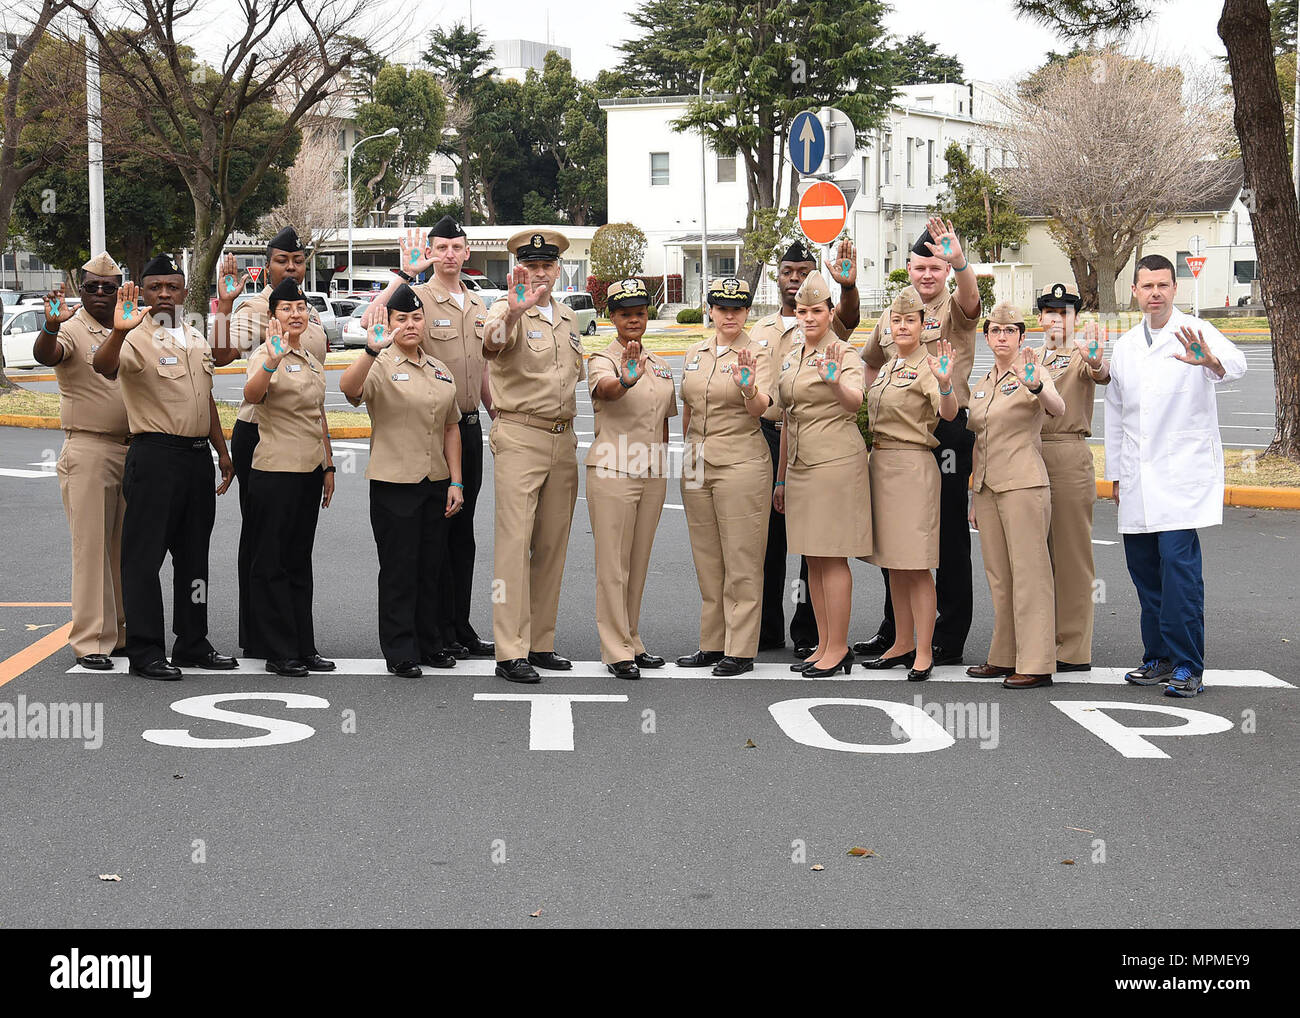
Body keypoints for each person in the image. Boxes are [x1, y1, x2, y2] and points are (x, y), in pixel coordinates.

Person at [1106, 254, 1247, 697]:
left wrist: (1210, 362)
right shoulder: (1126, 345)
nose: (1155, 293)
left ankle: (1189, 664)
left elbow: (1237, 363)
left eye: (1163, 285)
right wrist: (1115, 473)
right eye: (1146, 286)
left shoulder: (1196, 330)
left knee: (1179, 572)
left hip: (1181, 476)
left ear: (1175, 289)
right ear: (1134, 290)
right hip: (1137, 478)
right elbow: (1115, 412)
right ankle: (1159, 657)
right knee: (1145, 573)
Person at [92, 255, 237, 680]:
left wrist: (222, 452)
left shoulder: (193, 335)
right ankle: (146, 649)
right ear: (142, 290)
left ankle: (192, 642)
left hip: (196, 459)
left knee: (195, 559)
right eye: (154, 287)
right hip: (155, 456)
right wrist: (118, 333)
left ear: (184, 290)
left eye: (172, 287)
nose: (163, 295)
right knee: (144, 558)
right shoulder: (135, 337)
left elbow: (214, 375)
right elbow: (104, 367)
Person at [362, 216, 494, 658]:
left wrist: (498, 414)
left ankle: (459, 623)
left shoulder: (477, 302)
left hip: (466, 425)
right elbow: (372, 319)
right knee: (433, 536)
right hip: (431, 428)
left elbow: (483, 368)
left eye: (457, 247)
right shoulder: (417, 296)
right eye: (441, 248)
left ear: (467, 251)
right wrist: (406, 271)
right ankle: (434, 628)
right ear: (431, 253)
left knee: (461, 534)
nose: (450, 255)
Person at [856, 215, 980, 666]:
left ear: (945, 270)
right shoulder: (896, 313)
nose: (927, 275)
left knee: (944, 536)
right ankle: (898, 631)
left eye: (936, 267)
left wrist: (961, 261)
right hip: (901, 435)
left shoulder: (955, 308)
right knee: (898, 539)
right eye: (919, 267)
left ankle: (946, 636)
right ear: (908, 268)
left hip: (945, 429)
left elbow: (971, 298)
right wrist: (875, 409)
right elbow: (871, 361)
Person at [340, 283, 464, 677]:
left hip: (434, 481)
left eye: (416, 317)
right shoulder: (379, 363)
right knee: (399, 569)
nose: (410, 325)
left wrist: (456, 482)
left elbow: (451, 427)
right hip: (395, 483)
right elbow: (349, 390)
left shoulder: (439, 368)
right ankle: (401, 650)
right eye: (401, 319)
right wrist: (371, 350)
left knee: (431, 567)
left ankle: (429, 643)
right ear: (389, 323)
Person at [481, 229, 584, 683]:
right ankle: (509, 650)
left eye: (547, 266)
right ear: (518, 269)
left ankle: (541, 642)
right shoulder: (507, 309)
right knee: (513, 545)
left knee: (551, 546)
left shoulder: (567, 318)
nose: (540, 274)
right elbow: (491, 344)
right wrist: (517, 309)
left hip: (562, 440)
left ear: (558, 268)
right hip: (521, 436)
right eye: (532, 266)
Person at [223, 227, 332, 658]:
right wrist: (225, 305)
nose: (291, 267)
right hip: (260, 431)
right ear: (266, 264)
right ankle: (261, 638)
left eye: (298, 261)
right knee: (262, 542)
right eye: (283, 260)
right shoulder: (255, 307)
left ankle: (296, 639)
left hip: (304, 431)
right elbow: (221, 354)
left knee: (294, 548)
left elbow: (318, 396)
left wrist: (327, 462)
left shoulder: (313, 314)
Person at [749, 238, 861, 657]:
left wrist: (847, 287)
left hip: (822, 445)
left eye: (803, 273)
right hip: (775, 436)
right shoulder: (760, 329)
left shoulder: (827, 328)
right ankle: (766, 628)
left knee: (817, 547)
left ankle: (812, 633)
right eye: (787, 272)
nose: (794, 280)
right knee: (773, 541)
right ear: (778, 277)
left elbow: (846, 316)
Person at [32, 253, 130, 670]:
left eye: (110, 287)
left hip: (135, 449)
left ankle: (122, 631)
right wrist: (50, 326)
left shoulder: (132, 325)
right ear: (81, 288)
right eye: (93, 287)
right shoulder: (71, 328)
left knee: (125, 550)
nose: (102, 294)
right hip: (90, 448)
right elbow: (47, 354)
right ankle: (91, 639)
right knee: (91, 548)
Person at [771, 271, 871, 677]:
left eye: (816, 311)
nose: (808, 317)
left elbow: (855, 402)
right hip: (800, 465)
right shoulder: (793, 354)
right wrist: (780, 479)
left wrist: (834, 384)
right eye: (802, 310)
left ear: (831, 313)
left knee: (832, 559)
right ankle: (824, 644)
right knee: (813, 558)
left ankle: (839, 647)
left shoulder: (842, 354)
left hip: (835, 464)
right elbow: (787, 421)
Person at [677, 277, 775, 676]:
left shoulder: (757, 353)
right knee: (708, 559)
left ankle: (740, 648)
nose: (729, 314)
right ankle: (712, 642)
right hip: (697, 462)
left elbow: (762, 409)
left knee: (742, 559)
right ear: (711, 310)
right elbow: (688, 407)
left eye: (738, 308)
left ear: (747, 312)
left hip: (741, 462)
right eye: (722, 307)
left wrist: (749, 389)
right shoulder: (695, 352)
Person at [965, 302, 1065, 689]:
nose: (1002, 337)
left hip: (1023, 484)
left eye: (1010, 331)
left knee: (1030, 574)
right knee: (1000, 575)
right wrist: (974, 492)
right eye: (995, 331)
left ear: (1022, 336)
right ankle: (1004, 655)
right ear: (987, 336)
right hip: (989, 486)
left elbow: (1058, 407)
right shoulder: (983, 381)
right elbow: (979, 440)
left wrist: (1036, 385)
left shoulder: (1034, 370)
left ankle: (1037, 662)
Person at [860, 287, 959, 680]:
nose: (902, 327)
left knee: (916, 565)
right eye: (896, 320)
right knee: (894, 565)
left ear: (923, 325)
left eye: (910, 320)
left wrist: (947, 384)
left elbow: (948, 413)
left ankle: (922, 651)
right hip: (881, 465)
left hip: (913, 467)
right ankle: (901, 643)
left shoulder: (929, 365)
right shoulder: (886, 367)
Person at [585, 278, 678, 679]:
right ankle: (615, 649)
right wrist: (626, 378)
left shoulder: (658, 363)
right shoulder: (602, 360)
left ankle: (633, 639)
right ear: (612, 318)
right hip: (613, 469)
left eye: (639, 313)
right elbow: (606, 391)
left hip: (650, 471)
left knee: (638, 562)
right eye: (625, 314)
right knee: (613, 565)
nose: (634, 320)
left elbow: (664, 422)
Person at [1035, 283, 1111, 671]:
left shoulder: (1080, 354)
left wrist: (1097, 361)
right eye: (1050, 312)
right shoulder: (1029, 356)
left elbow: (1099, 373)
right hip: (1030, 456)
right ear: (1039, 318)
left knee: (1070, 556)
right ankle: (1041, 640)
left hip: (1066, 453)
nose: (1056, 319)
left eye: (1064, 313)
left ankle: (1073, 648)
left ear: (1075, 319)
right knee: (1037, 557)